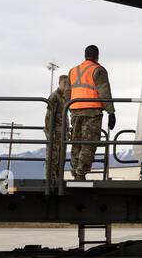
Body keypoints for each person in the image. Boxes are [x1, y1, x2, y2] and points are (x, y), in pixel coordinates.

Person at [68, 45, 116, 180]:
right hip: (92, 112)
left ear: (85, 55)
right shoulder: (98, 70)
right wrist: (111, 112)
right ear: (97, 56)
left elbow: (67, 93)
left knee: (76, 142)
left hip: (74, 110)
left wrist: (69, 108)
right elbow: (104, 92)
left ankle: (75, 171)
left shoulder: (73, 71)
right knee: (88, 143)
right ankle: (80, 174)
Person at [44, 74, 70, 186]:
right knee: (53, 160)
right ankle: (51, 184)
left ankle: (58, 182)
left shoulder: (65, 97)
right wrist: (50, 134)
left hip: (62, 135)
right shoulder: (54, 97)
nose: (66, 85)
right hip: (55, 135)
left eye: (68, 83)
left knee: (61, 160)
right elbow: (49, 117)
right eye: (64, 83)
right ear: (59, 83)